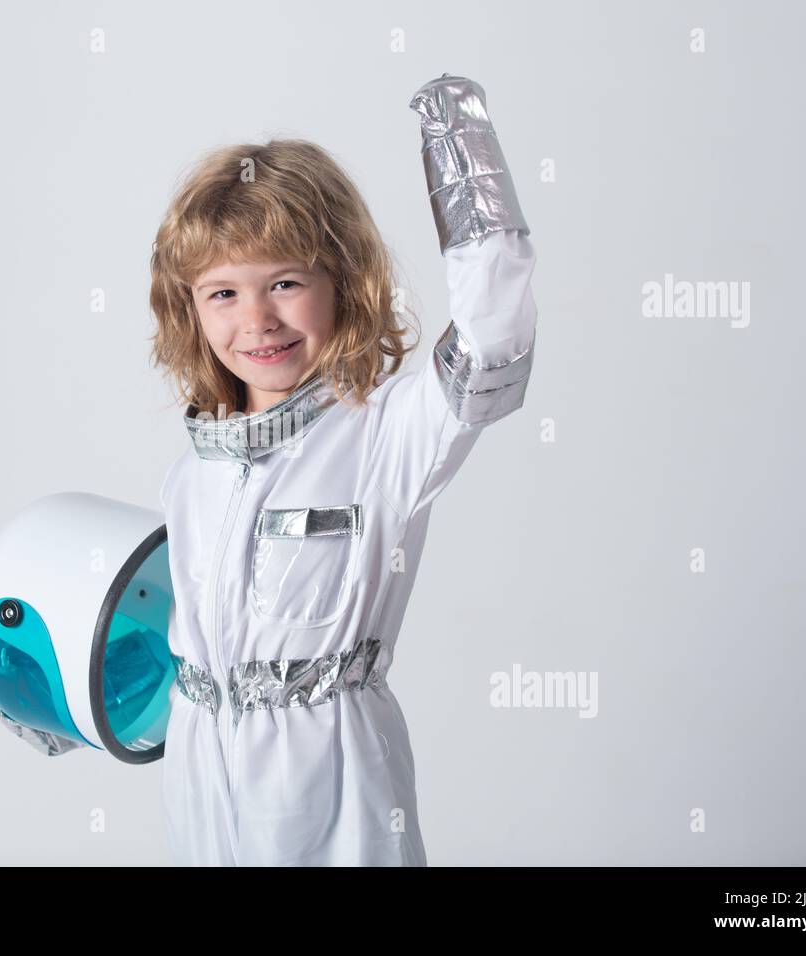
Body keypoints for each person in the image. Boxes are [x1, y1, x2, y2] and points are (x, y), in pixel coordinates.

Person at [147, 74, 538, 865]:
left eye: (285, 283)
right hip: (199, 791)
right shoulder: (192, 478)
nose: (256, 319)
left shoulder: (389, 433)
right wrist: (62, 701)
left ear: (346, 284)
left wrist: (458, 146)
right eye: (222, 292)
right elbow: (174, 654)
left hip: (332, 790)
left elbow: (496, 340)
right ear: (188, 306)